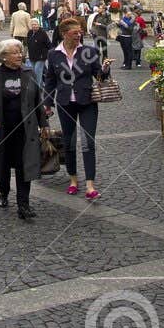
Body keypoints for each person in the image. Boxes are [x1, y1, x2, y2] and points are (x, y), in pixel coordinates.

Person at [41, 16, 110, 201]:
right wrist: (47, 103)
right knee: (69, 143)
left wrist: (104, 69)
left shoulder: (89, 51)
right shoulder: (53, 54)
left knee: (88, 142)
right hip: (65, 104)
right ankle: (73, 180)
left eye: (80, 32)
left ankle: (90, 185)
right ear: (64, 34)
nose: (78, 36)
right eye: (74, 33)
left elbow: (99, 77)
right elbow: (50, 81)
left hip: (87, 102)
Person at [0, 38, 48, 219]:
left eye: (20, 52)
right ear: (3, 57)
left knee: (23, 166)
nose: (20, 55)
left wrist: (44, 124)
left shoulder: (29, 72)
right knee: (2, 166)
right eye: (15, 53)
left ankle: (23, 205)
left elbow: (37, 101)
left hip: (25, 129)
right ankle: (3, 193)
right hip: (2, 129)